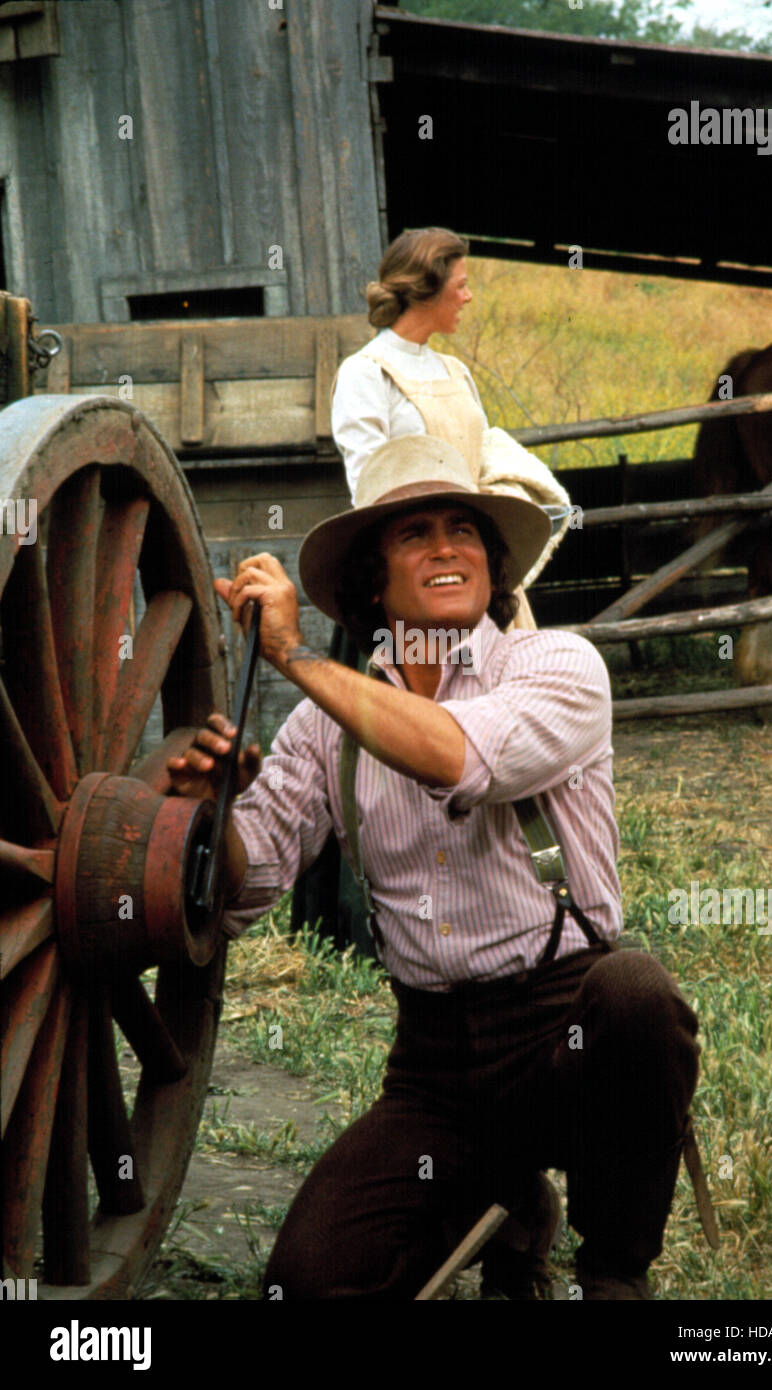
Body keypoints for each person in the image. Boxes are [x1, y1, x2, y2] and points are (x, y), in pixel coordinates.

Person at [167, 434, 700, 1301]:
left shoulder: (556, 668)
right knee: (310, 1284)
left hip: (564, 1030)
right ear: (374, 584)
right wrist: (207, 812)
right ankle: (508, 1203)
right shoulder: (322, 731)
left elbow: (454, 756)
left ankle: (612, 1275)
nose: (447, 546)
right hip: (437, 1068)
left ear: (492, 568)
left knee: (636, 995)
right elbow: (250, 874)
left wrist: (295, 658)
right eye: (415, 533)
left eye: (464, 531)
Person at [332, 227, 573, 628]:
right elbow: (367, 489)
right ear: (427, 288)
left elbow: (480, 460)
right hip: (418, 572)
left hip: (473, 563)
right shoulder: (367, 372)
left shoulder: (455, 372)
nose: (468, 296)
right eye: (460, 286)